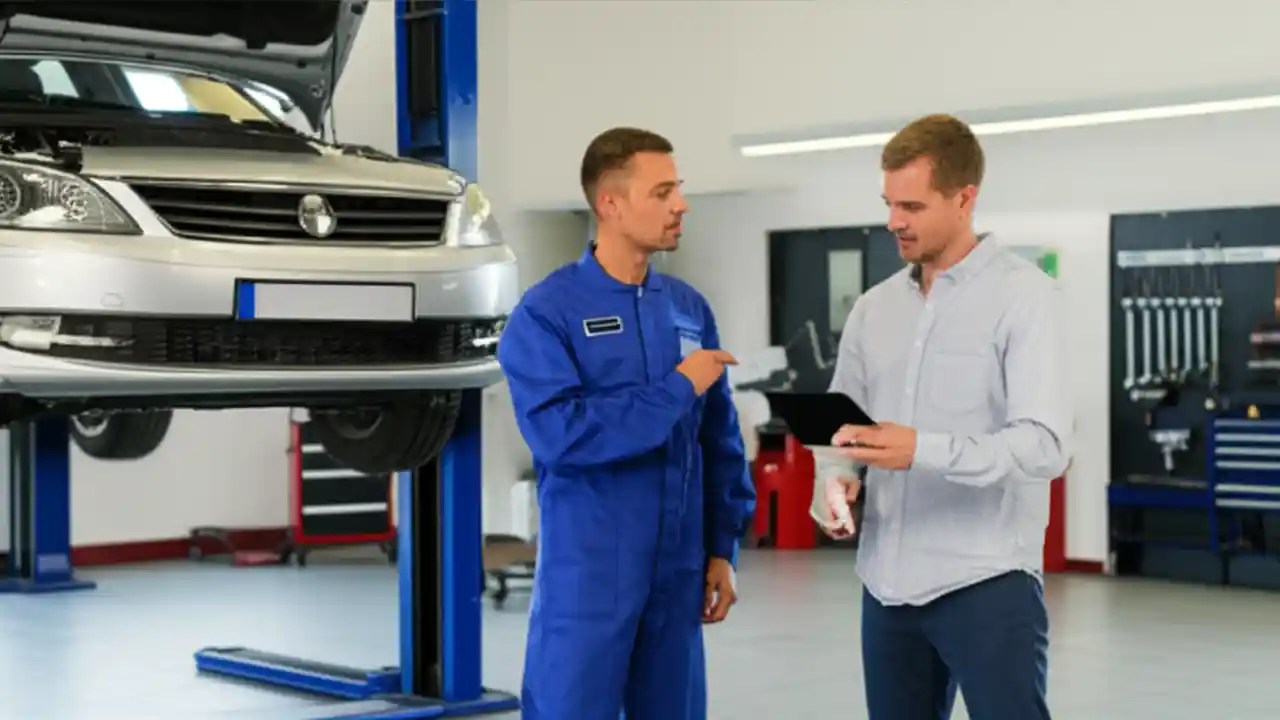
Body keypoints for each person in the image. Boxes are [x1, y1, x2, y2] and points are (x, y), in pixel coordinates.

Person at [816, 113, 1072, 720]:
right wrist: (835, 479)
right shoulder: (874, 310)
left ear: (964, 198)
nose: (893, 221)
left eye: (912, 205)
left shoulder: (1025, 297)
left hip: (987, 582)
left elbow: (1045, 446)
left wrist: (920, 449)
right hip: (884, 586)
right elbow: (838, 423)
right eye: (888, 203)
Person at [497, 126, 757, 720]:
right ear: (610, 205)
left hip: (678, 571)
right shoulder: (546, 314)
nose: (681, 205)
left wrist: (722, 548)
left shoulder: (688, 309)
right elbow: (561, 432)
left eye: (679, 190)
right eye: (663, 192)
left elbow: (718, 438)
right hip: (588, 578)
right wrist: (677, 387)